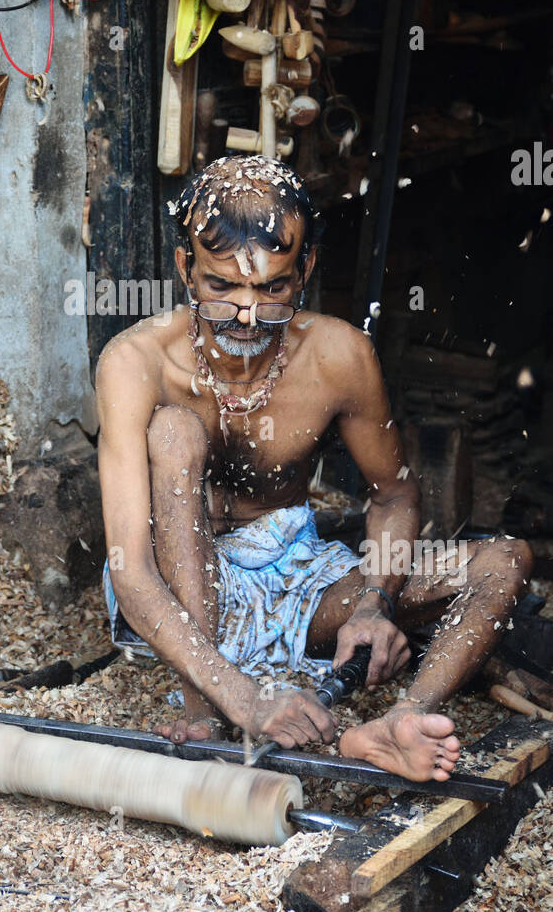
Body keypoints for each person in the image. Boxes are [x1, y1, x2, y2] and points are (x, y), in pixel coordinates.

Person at [95, 155, 532, 782]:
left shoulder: (339, 355)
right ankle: (203, 706)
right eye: (222, 286)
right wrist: (242, 698)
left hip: (297, 583)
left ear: (306, 270)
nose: (246, 315)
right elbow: (130, 569)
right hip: (183, 600)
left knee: (505, 560)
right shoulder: (133, 362)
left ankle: (400, 723)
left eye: (272, 288)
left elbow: (393, 498)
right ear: (184, 268)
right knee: (173, 430)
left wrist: (375, 604)